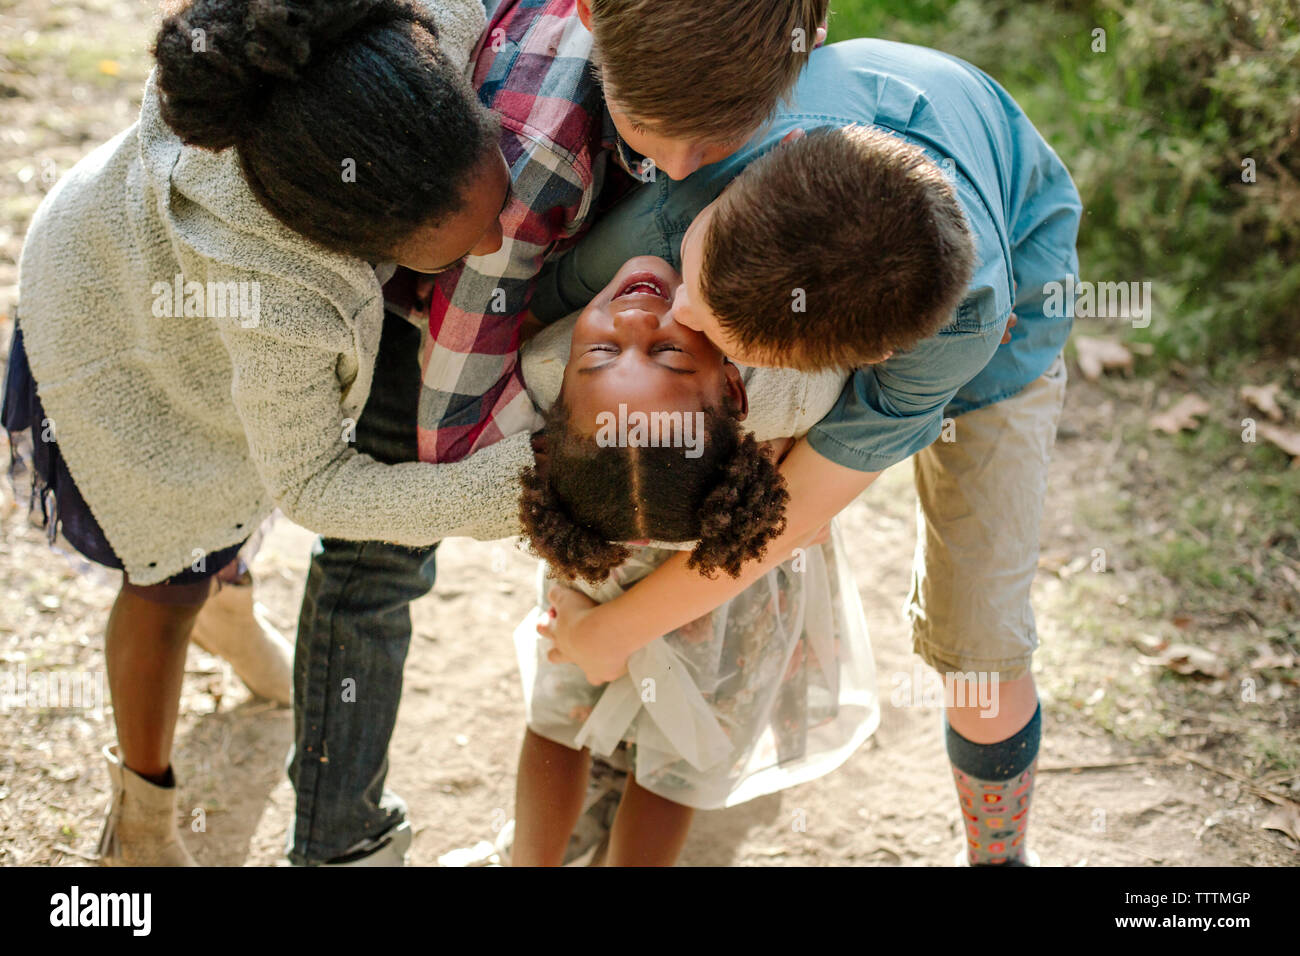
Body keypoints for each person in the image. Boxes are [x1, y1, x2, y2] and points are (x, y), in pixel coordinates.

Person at [290, 0, 831, 866]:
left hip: (707, 561)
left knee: (661, 757)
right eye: (657, 130)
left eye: (719, 138)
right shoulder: (536, 179)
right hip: (547, 473)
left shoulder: (774, 375)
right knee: (519, 683)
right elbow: (455, 423)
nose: (687, 171)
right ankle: (378, 848)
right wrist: (573, 479)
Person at [537, 38, 1082, 867]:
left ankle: (999, 856)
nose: (675, 305)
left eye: (715, 330)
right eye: (697, 287)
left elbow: (791, 516)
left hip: (1004, 336)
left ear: (851, 366)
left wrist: (607, 632)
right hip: (840, 267)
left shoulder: (964, 322)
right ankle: (619, 763)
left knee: (982, 645)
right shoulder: (696, 191)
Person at [1, 0, 514, 866]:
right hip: (116, 338)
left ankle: (229, 617)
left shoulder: (403, 48)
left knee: (221, 520)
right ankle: (142, 819)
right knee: (166, 571)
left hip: (173, 297)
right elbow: (310, 482)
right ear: (353, 245)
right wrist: (499, 494)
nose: (501, 236)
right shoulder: (279, 296)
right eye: (467, 243)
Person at [505, 255, 877, 865]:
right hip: (731, 585)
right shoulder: (781, 387)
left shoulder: (558, 358)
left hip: (679, 582)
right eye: (601, 356)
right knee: (659, 755)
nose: (635, 321)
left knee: (597, 735)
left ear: (735, 390)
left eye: (669, 355)